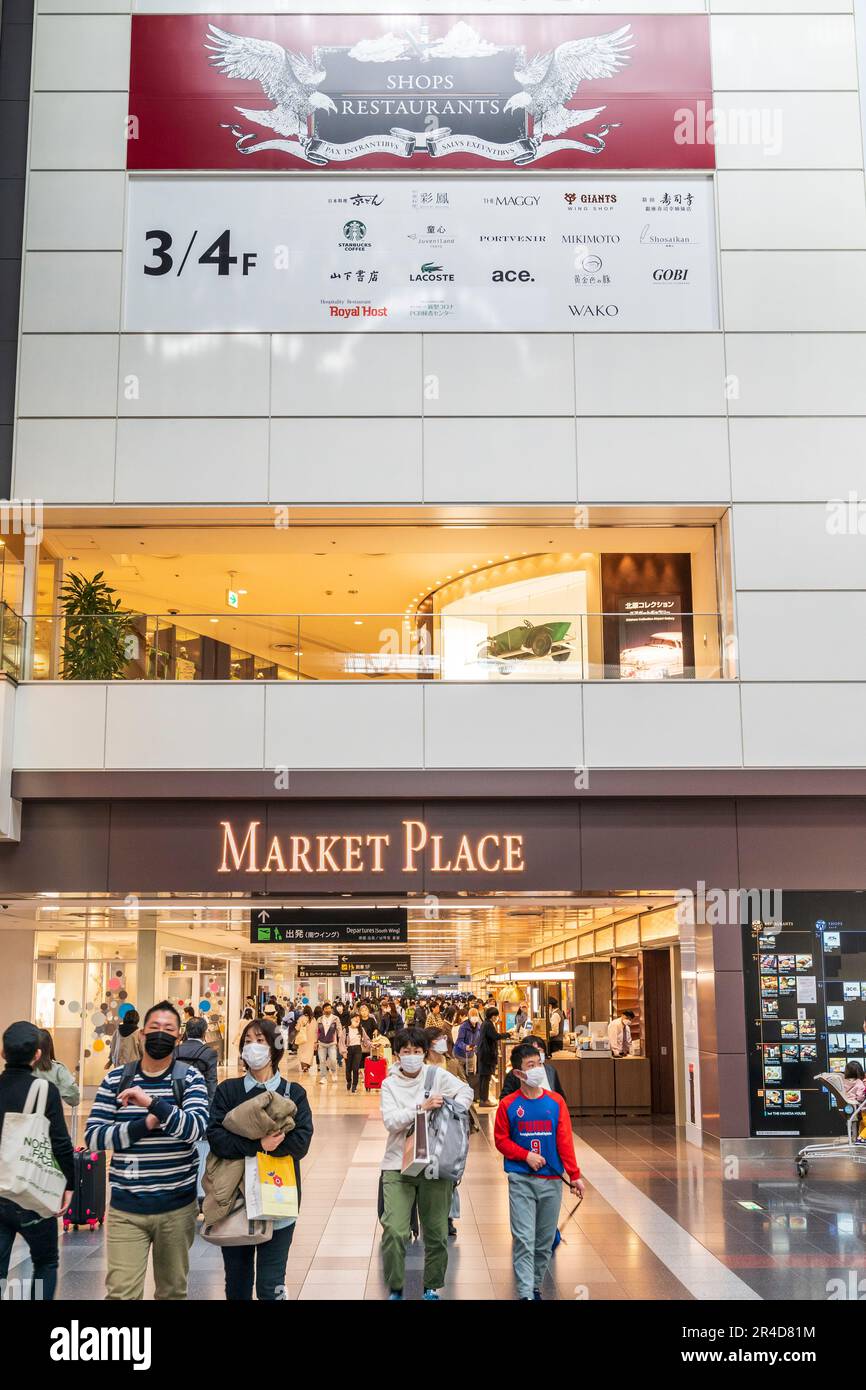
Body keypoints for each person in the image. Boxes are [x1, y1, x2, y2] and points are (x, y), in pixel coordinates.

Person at [85, 1000, 209, 1301]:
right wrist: (145, 1124)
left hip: (177, 1207)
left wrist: (152, 1104)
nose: (160, 1034)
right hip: (127, 1208)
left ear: (178, 1038)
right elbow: (94, 1137)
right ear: (141, 1034)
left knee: (172, 1292)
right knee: (121, 1293)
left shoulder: (189, 1079)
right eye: (154, 1027)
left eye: (168, 1029)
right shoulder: (116, 1079)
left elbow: (195, 1129)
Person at [207, 1018, 313, 1300]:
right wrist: (259, 1145)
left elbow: (301, 1143)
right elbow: (216, 1138)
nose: (252, 1047)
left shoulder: (293, 1093)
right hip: (235, 1201)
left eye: (260, 1041)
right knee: (237, 1284)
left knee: (271, 1284)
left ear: (275, 1047)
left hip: (279, 1199)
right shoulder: (228, 1091)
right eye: (247, 1041)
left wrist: (255, 1145)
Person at [380, 1028, 473, 1301]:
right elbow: (391, 1122)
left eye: (417, 1051)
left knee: (436, 1232)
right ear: (397, 1055)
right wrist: (422, 1107)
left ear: (424, 1053)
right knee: (394, 1230)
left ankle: (431, 1286)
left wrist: (453, 1109)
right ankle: (396, 1286)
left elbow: (465, 1091)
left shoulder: (436, 1075)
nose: (411, 1056)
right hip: (397, 1165)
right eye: (406, 1051)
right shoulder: (389, 1084)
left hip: (435, 1163)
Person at [494, 1042, 584, 1301]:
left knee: (544, 1240)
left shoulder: (555, 1103)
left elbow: (564, 1141)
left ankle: (534, 1285)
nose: (537, 1070)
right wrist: (525, 1155)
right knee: (523, 1237)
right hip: (520, 1178)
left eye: (539, 1064)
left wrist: (575, 1175)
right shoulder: (508, 1105)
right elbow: (501, 1140)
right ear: (518, 1073)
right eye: (530, 1066)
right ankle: (525, 1293)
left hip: (551, 1180)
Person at [0, 1021, 74, 1301]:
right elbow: (60, 1142)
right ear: (37, 1055)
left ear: (3, 1053)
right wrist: (68, 1184)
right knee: (45, 1262)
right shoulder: (45, 1091)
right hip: (32, 1193)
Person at [425, 1026, 479, 1239]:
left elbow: (465, 1088)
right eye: (438, 1039)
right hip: (427, 1124)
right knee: (429, 1170)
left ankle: (447, 1216)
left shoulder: (452, 1063)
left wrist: (456, 1107)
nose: (442, 1041)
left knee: (448, 1171)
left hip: (450, 1123)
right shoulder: (422, 1065)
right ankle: (429, 1214)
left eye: (443, 1038)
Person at [500, 1035, 567, 1101]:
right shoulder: (514, 1075)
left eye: (539, 1050)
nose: (536, 1054)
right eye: (532, 1051)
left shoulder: (550, 1070)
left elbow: (560, 1095)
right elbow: (505, 1099)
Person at [35, 1029, 80, 1108]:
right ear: (50, 1047)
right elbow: (74, 1099)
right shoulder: (58, 1070)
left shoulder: (22, 1069)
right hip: (50, 1114)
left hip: (23, 1114)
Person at [478, 1006, 509, 1107]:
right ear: (493, 1016)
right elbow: (495, 1036)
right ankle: (484, 1100)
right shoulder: (488, 1024)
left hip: (483, 1054)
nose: (497, 1018)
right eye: (496, 1016)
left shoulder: (485, 1023)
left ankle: (483, 1099)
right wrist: (507, 1034)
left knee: (484, 1077)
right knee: (486, 1077)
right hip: (487, 1055)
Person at [316, 1002, 342, 1084]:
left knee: (333, 1060)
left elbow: (339, 1029)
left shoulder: (335, 1018)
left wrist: (340, 1039)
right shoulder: (319, 1019)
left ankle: (334, 1073)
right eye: (326, 1008)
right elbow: (317, 1031)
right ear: (323, 1010)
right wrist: (315, 1041)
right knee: (322, 1061)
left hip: (332, 1043)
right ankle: (323, 1077)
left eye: (329, 1008)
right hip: (321, 1043)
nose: (328, 1010)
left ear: (331, 1009)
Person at [294, 1006, 316, 1075]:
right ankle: (307, 1065)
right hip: (311, 1038)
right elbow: (316, 1029)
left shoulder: (301, 1018)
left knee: (302, 1053)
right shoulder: (313, 1019)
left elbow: (297, 1028)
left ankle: (304, 1066)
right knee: (309, 1053)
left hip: (303, 1038)